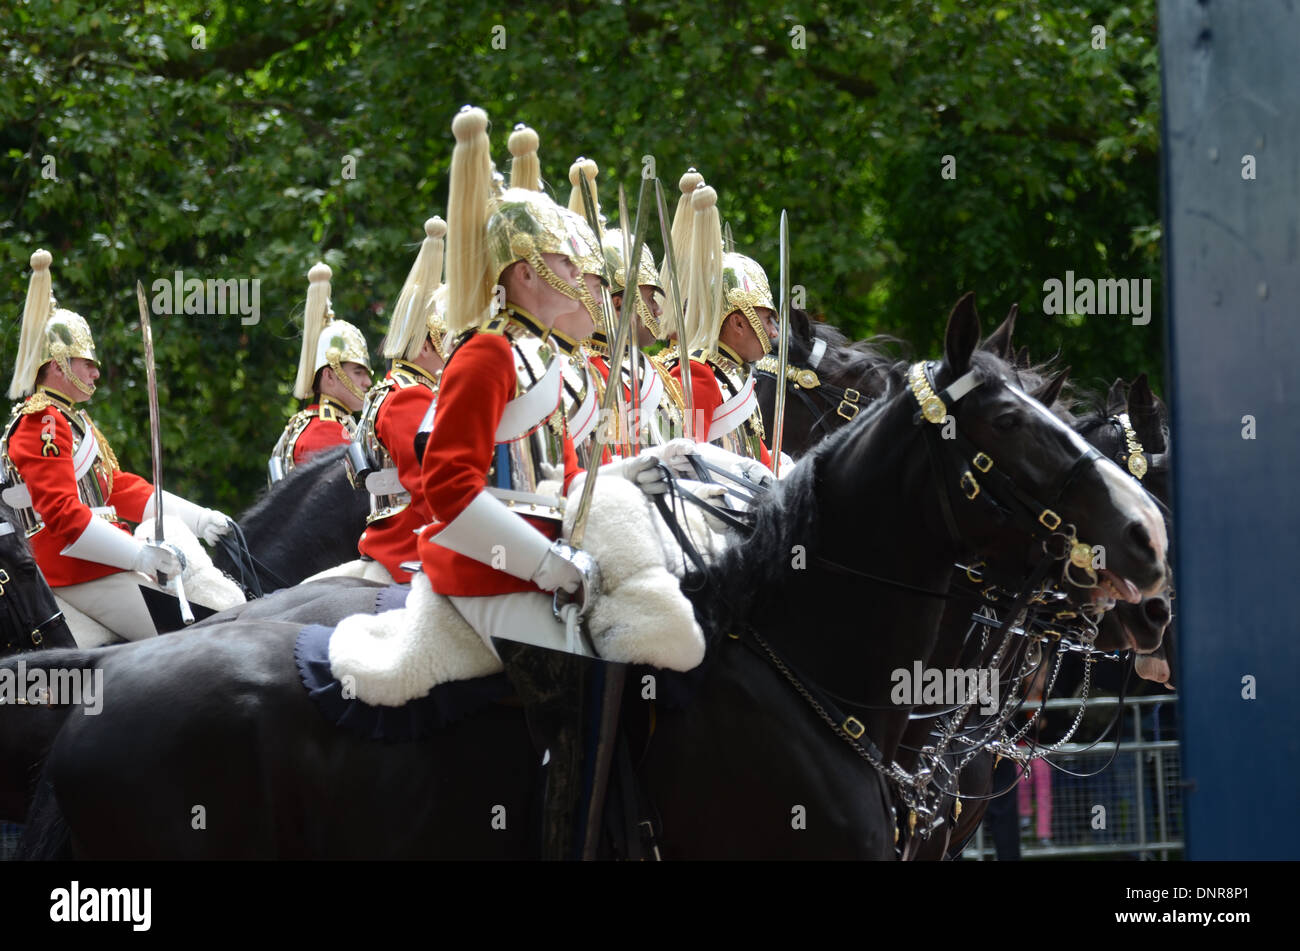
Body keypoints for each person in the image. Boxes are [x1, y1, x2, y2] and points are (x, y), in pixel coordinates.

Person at [416, 106, 677, 858]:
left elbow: (564, 483)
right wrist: (551, 564)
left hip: (542, 564)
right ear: (526, 273)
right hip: (488, 571)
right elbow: (450, 490)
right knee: (581, 698)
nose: (585, 283)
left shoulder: (545, 360)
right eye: (569, 267)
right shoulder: (488, 354)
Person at [0, 249, 237, 641]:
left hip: (99, 562)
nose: (95, 371)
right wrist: (138, 554)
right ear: (58, 365)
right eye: (86, 362)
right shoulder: (40, 424)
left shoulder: (70, 420)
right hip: (73, 570)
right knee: (182, 637)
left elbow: (118, 488)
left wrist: (199, 518)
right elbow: (62, 517)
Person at [320, 218, 448, 584]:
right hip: (408, 553)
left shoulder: (402, 391)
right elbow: (428, 490)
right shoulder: (410, 398)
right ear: (425, 345)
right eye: (449, 338)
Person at [669, 184, 779, 468]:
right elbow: (688, 458)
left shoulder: (735, 373)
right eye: (767, 319)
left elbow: (758, 460)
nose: (774, 332)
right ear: (738, 322)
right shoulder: (697, 372)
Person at [268, 262, 373, 482]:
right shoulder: (326, 431)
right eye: (358, 372)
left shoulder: (314, 423)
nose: (368, 382)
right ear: (330, 376)